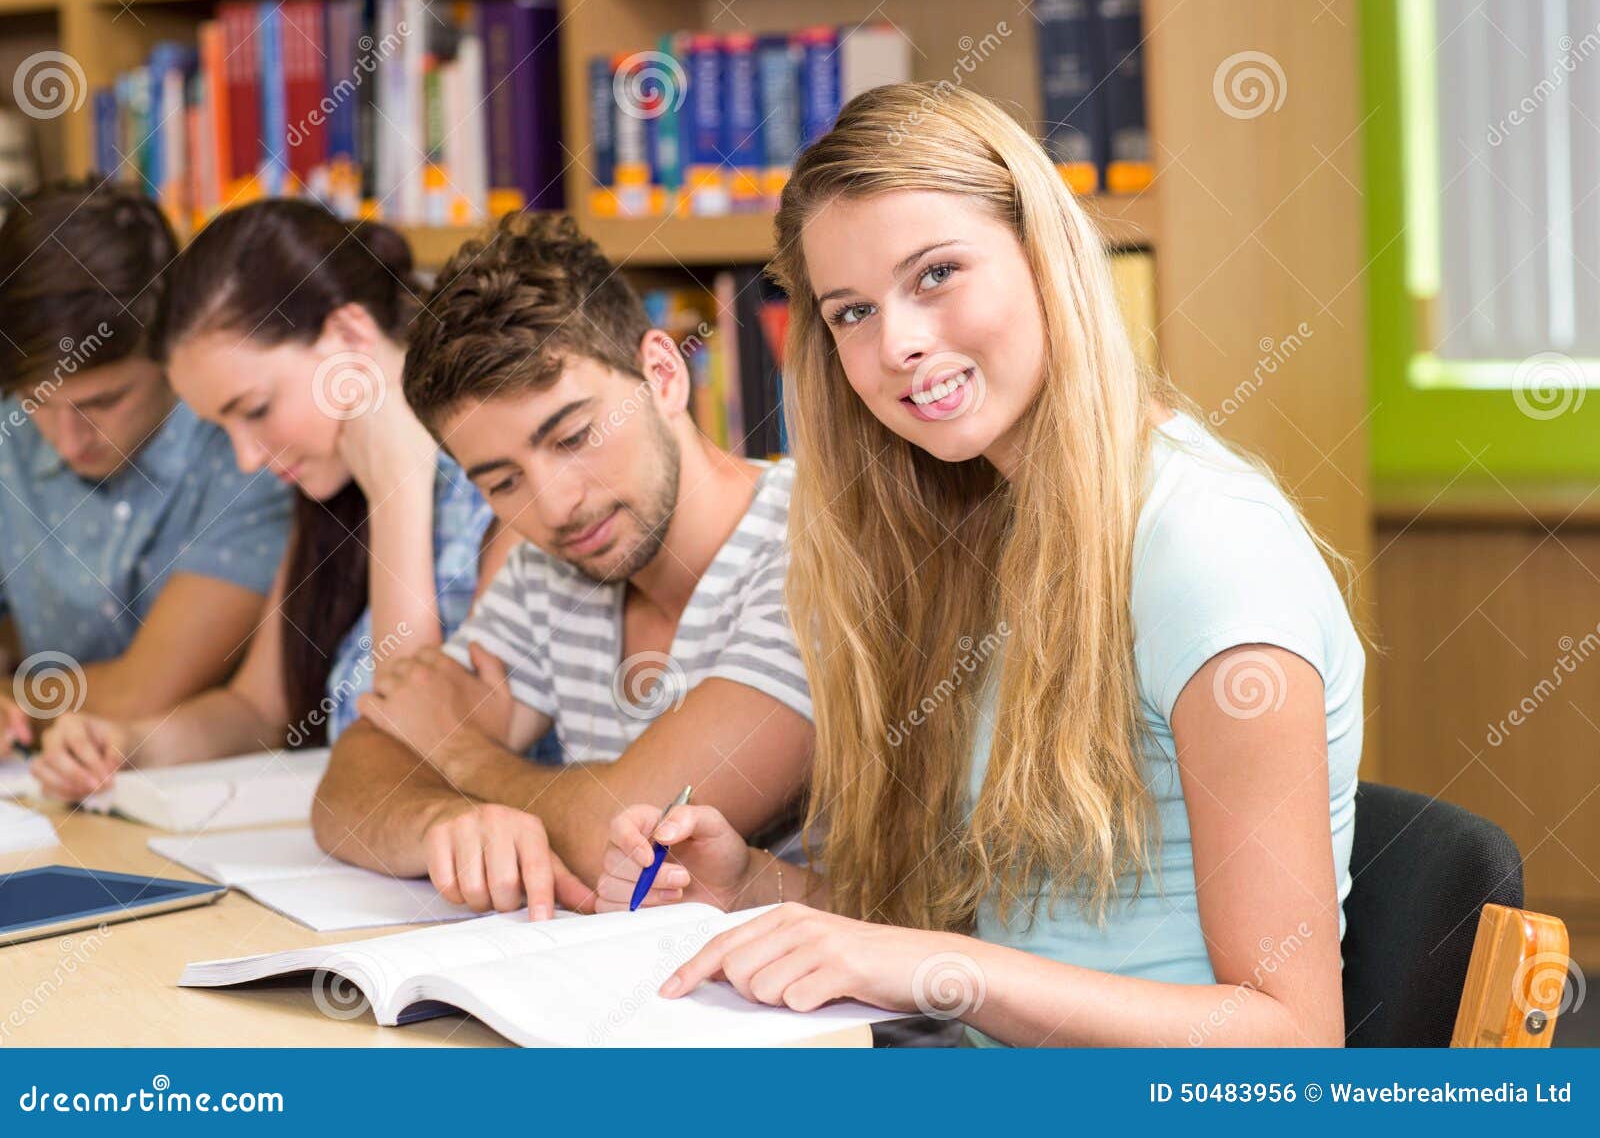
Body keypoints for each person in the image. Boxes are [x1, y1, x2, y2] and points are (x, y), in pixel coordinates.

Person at [592, 83, 1365, 1048]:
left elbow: (1294, 1039)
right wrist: (751, 885)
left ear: (1044, 255)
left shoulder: (1208, 549)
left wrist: (935, 965)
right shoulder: (979, 525)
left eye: (937, 273)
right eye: (852, 312)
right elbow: (1005, 938)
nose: (899, 344)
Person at [311, 212, 814, 919]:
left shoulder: (813, 548)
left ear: (663, 374)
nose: (555, 507)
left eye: (574, 437)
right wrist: (442, 825)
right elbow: (354, 773)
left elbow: (634, 831)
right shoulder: (547, 569)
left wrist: (459, 753)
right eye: (502, 481)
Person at [29, 200, 510, 802]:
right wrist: (127, 745)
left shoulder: (503, 480)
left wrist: (397, 491)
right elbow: (257, 711)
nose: (247, 458)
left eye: (255, 410)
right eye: (224, 426)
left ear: (349, 335)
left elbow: (421, 750)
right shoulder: (332, 487)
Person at [0, 181, 289, 751]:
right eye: (38, 402)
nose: (68, 440)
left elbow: (144, 694)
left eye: (104, 402)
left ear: (169, 353)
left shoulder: (250, 450)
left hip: (205, 785)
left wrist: (15, 702)